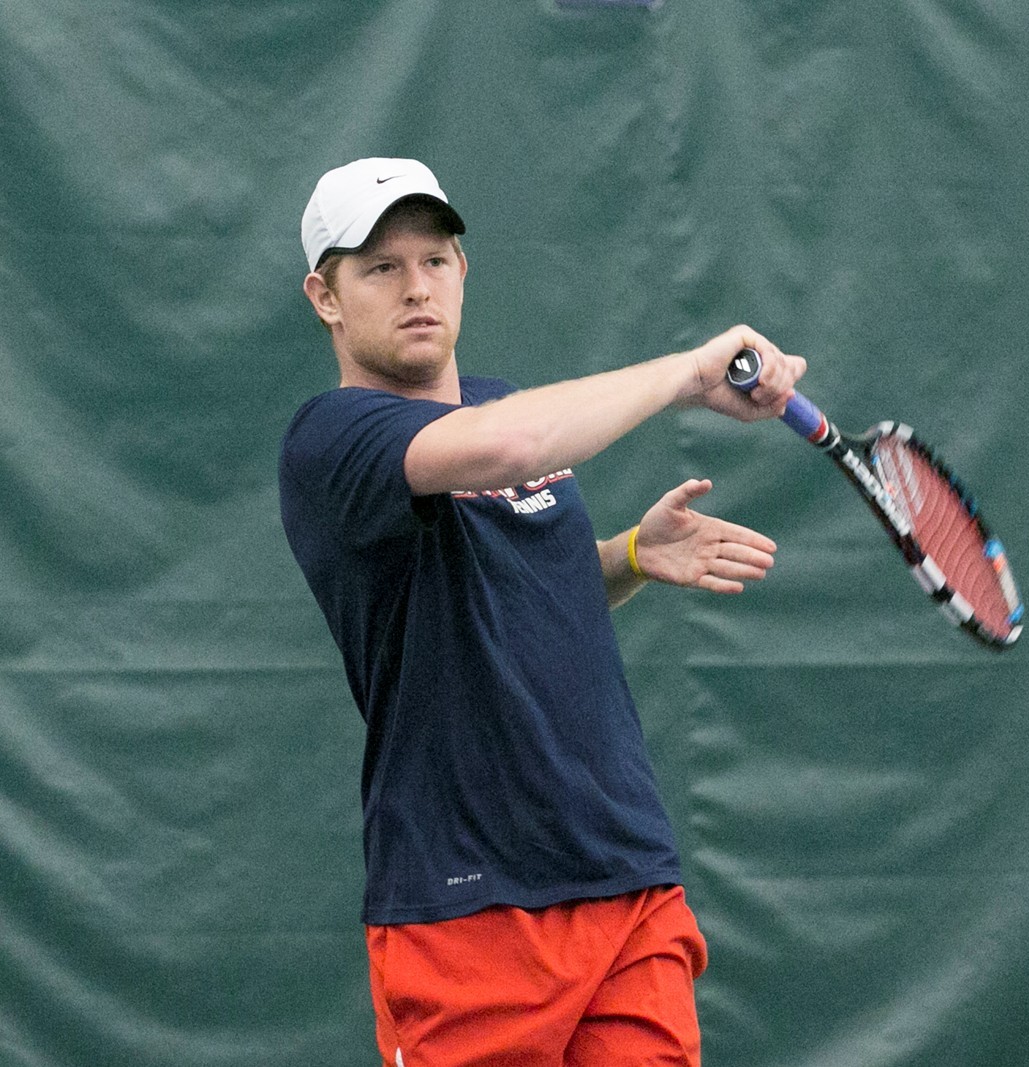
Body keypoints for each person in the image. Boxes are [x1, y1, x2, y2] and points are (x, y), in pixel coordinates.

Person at [278, 157, 804, 1066]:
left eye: (435, 260)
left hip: (622, 872)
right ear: (326, 297)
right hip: (465, 906)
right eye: (381, 268)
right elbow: (506, 448)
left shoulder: (500, 402)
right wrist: (688, 372)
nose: (417, 288)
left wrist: (632, 555)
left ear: (464, 273)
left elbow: (518, 589)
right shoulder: (332, 440)